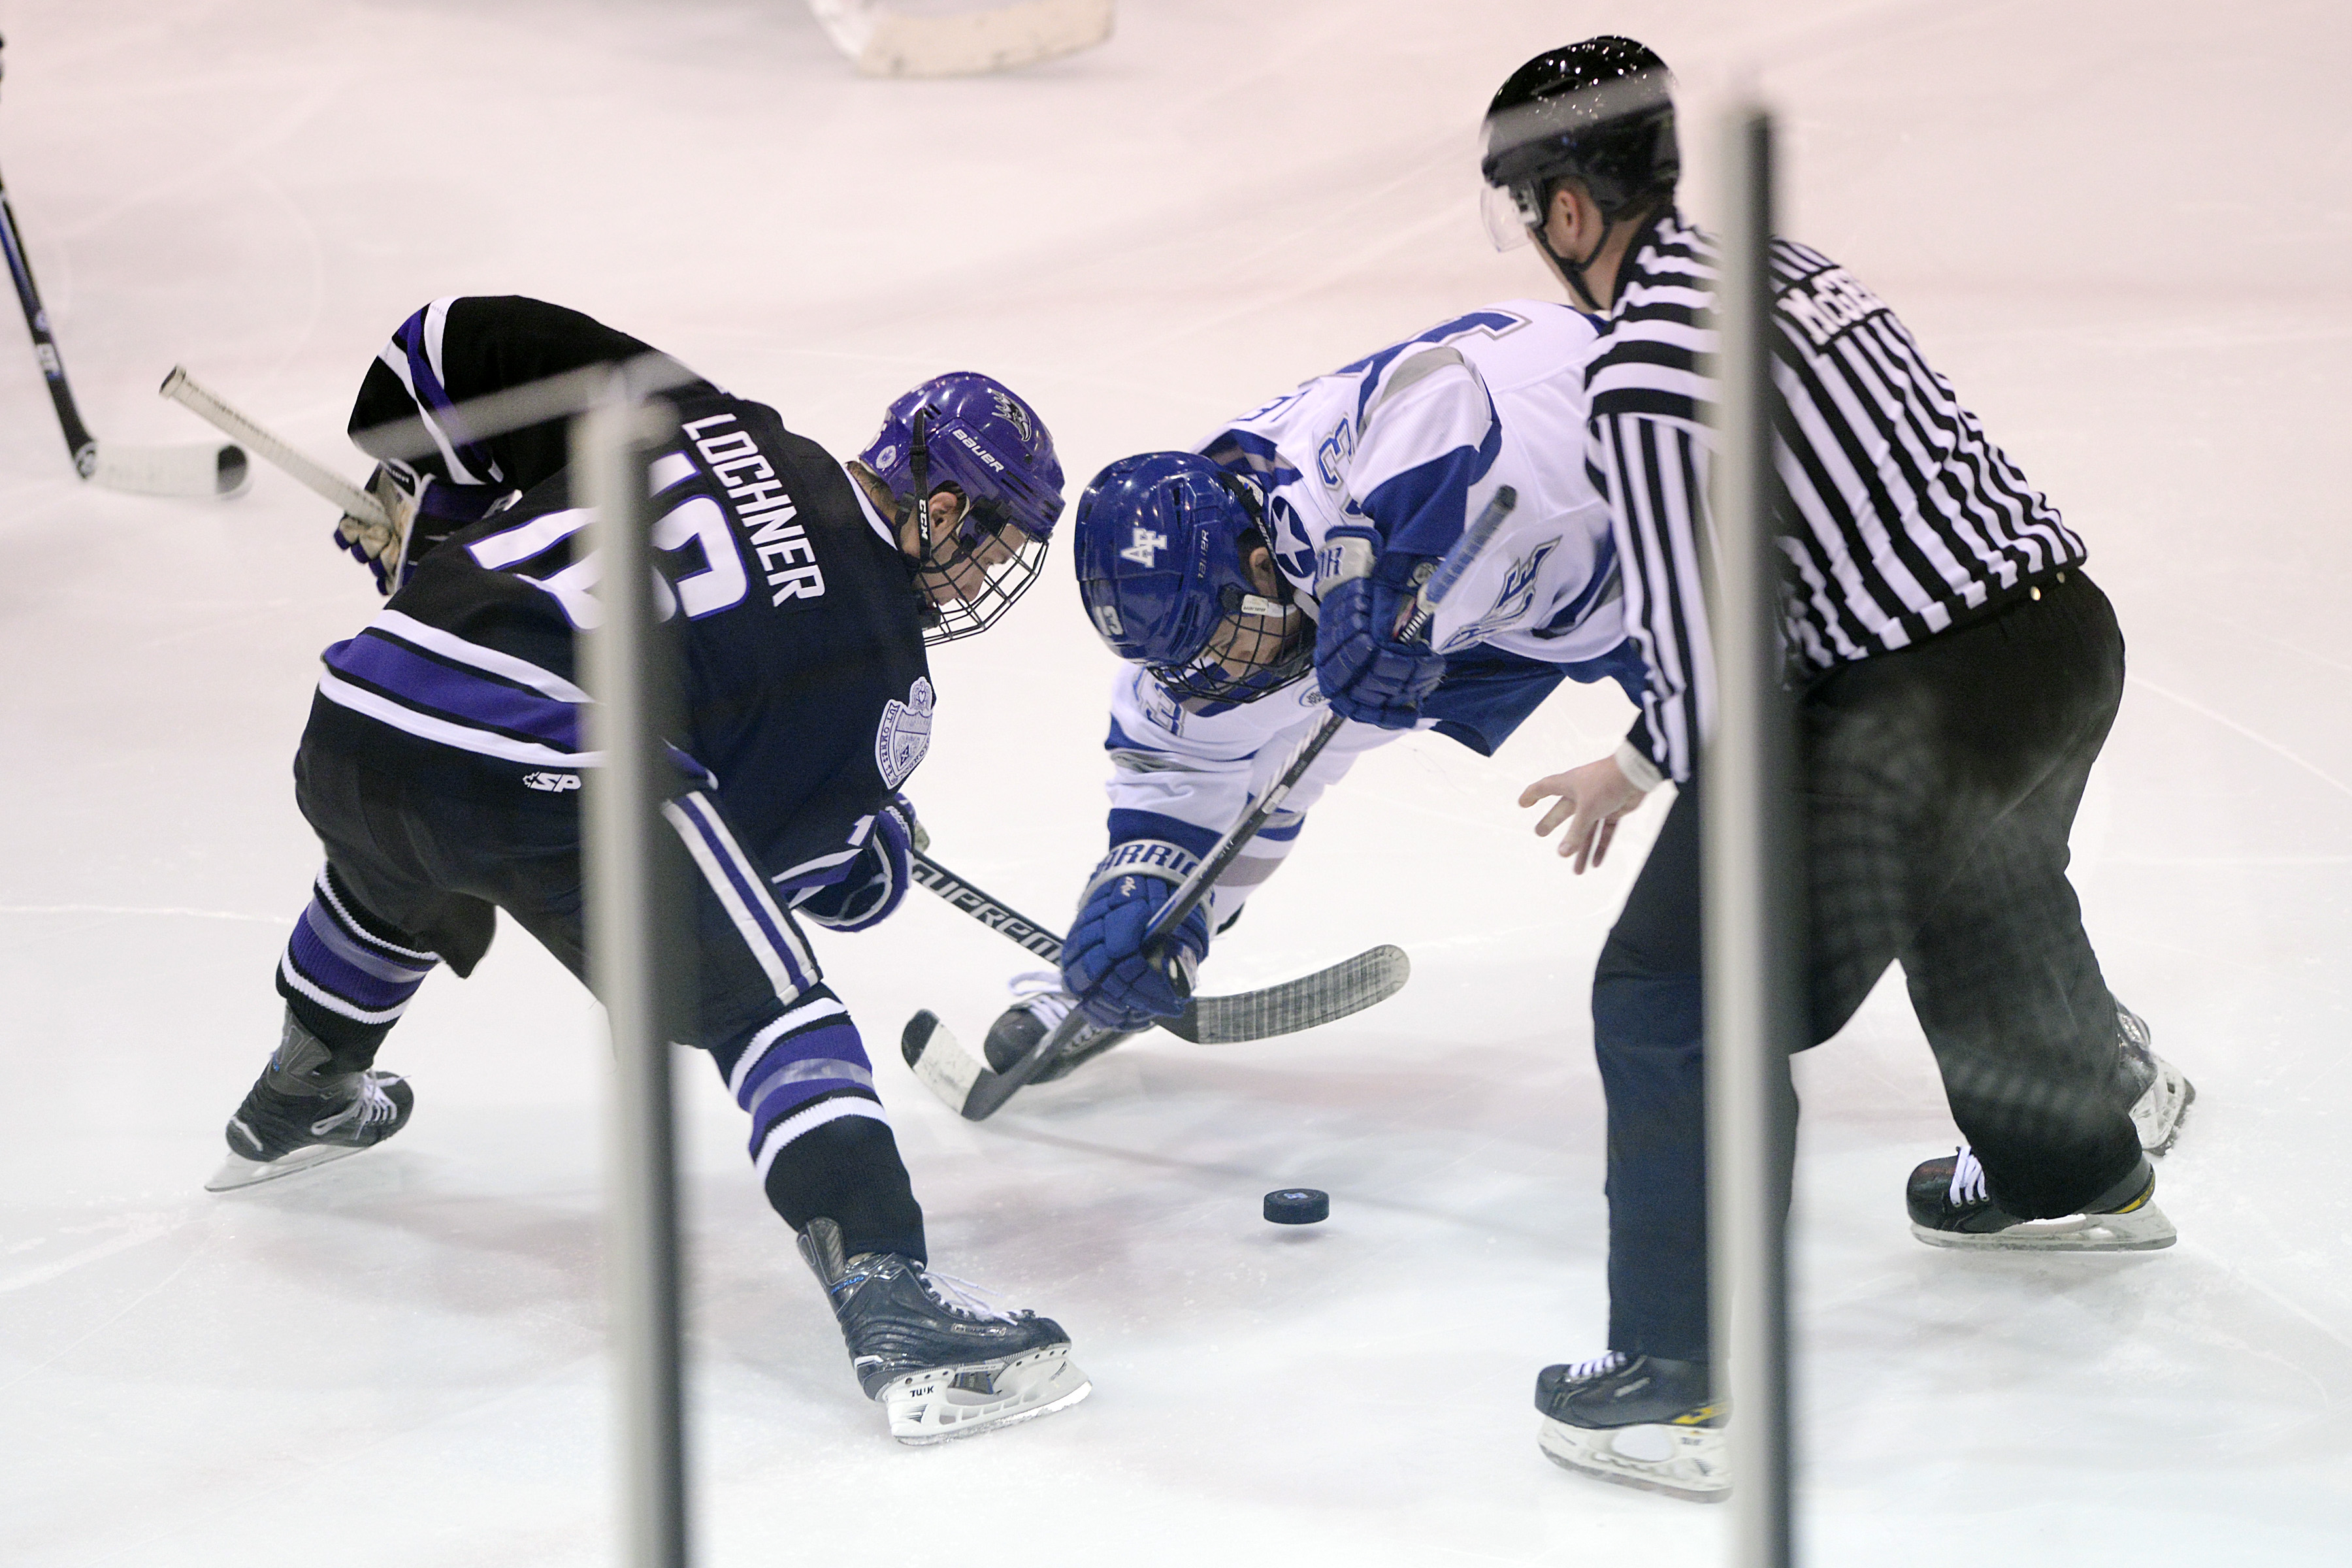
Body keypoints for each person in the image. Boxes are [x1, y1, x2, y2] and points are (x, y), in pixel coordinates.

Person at [1470, 40, 2195, 1499]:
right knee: (1978, 870)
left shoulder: (1647, 371)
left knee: (1680, 995)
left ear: (1563, 207)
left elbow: (1709, 662)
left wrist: (1634, 763)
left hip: (1921, 700)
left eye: (1523, 205)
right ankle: (2069, 1176)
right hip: (2064, 645)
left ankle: (1675, 1381)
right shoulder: (1785, 265)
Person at [209, 295, 1090, 1445]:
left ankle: (306, 1082)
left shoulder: (722, 421)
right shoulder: (888, 670)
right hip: (550, 748)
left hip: (358, 704)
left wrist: (428, 507)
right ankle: (891, 1293)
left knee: (399, 863)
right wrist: (863, 859)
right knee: (771, 1001)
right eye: (993, 543)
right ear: (939, 507)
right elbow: (752, 857)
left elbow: (449, 343)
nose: (985, 576)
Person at [976, 299, 1646, 1075]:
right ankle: (1157, 947)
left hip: (1616, 489)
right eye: (1191, 664)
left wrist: (1393, 587)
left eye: (1223, 645)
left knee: (1752, 731)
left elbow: (1438, 388)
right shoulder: (1195, 567)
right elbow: (1179, 760)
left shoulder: (1334, 493)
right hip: (1477, 576)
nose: (1220, 678)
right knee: (1289, 751)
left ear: (1263, 567)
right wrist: (1140, 884)